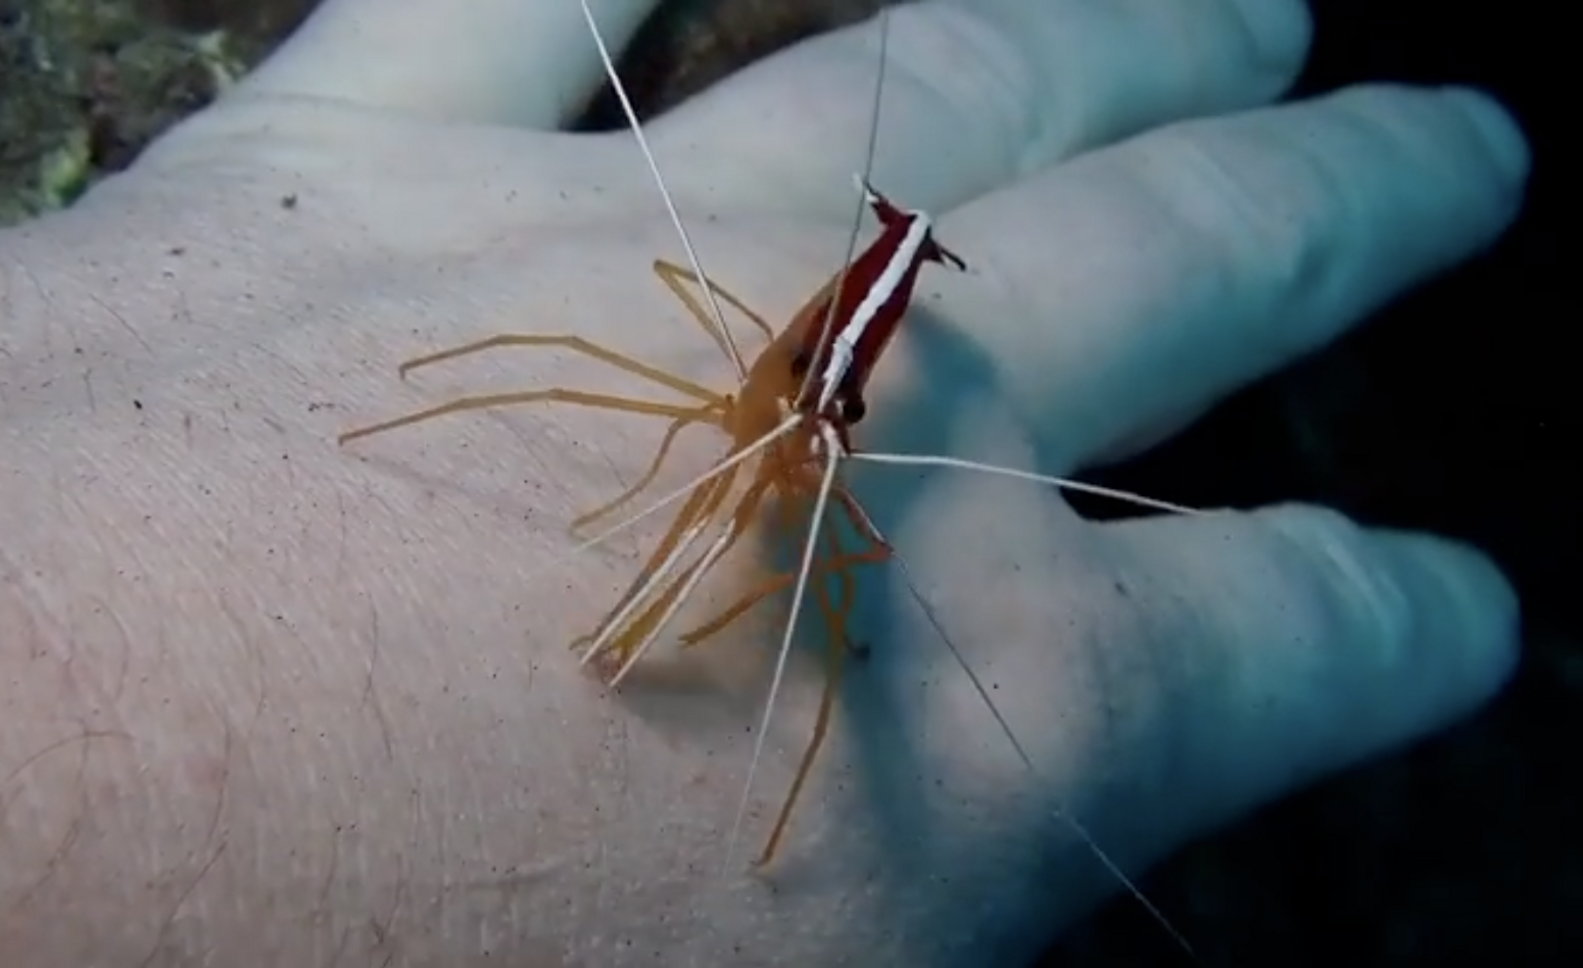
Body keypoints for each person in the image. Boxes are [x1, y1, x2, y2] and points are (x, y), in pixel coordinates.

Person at [0, 0, 1527, 964]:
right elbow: (557, 353)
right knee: (576, 375)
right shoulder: (756, 374)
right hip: (796, 361)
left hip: (832, 371)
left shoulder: (826, 445)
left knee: (809, 546)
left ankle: (871, 335)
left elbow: (824, 519)